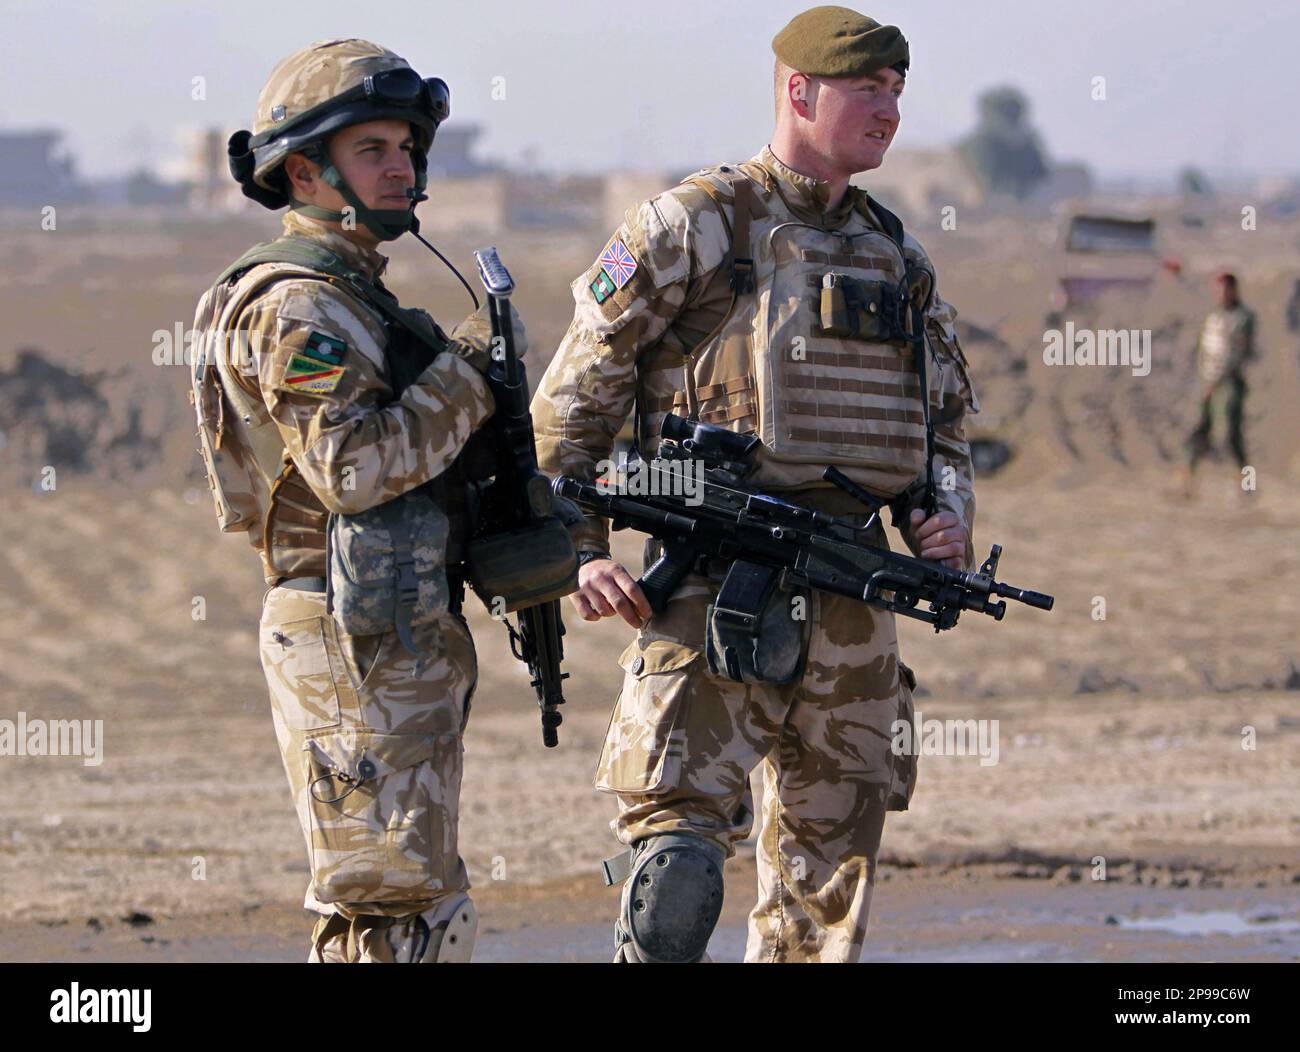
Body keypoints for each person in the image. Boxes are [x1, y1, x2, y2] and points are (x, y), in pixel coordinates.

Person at [532, 6, 979, 963]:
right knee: (676, 878)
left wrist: (940, 521)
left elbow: (939, 425)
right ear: (799, 90)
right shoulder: (693, 225)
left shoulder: (898, 258)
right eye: (869, 87)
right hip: (706, 591)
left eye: (898, 90)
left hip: (854, 595)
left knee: (827, 894)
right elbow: (573, 401)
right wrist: (579, 551)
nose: (890, 108)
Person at [189, 38, 516, 962]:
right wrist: (469, 377)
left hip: (389, 632)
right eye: (372, 149)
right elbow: (353, 472)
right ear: (305, 169)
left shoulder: (356, 297)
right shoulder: (297, 306)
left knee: (417, 904)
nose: (402, 165)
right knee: (385, 910)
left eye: (407, 147)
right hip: (345, 637)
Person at [1184, 271, 1257, 492]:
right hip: (1208, 381)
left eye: (1225, 288)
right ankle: (1188, 480)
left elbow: (1238, 352)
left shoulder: (1243, 317)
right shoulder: (1213, 316)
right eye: (1218, 289)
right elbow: (1206, 350)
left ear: (1234, 290)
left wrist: (1218, 380)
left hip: (1231, 381)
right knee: (1201, 430)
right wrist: (1205, 378)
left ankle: (1246, 483)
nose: (1221, 293)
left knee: (1232, 434)